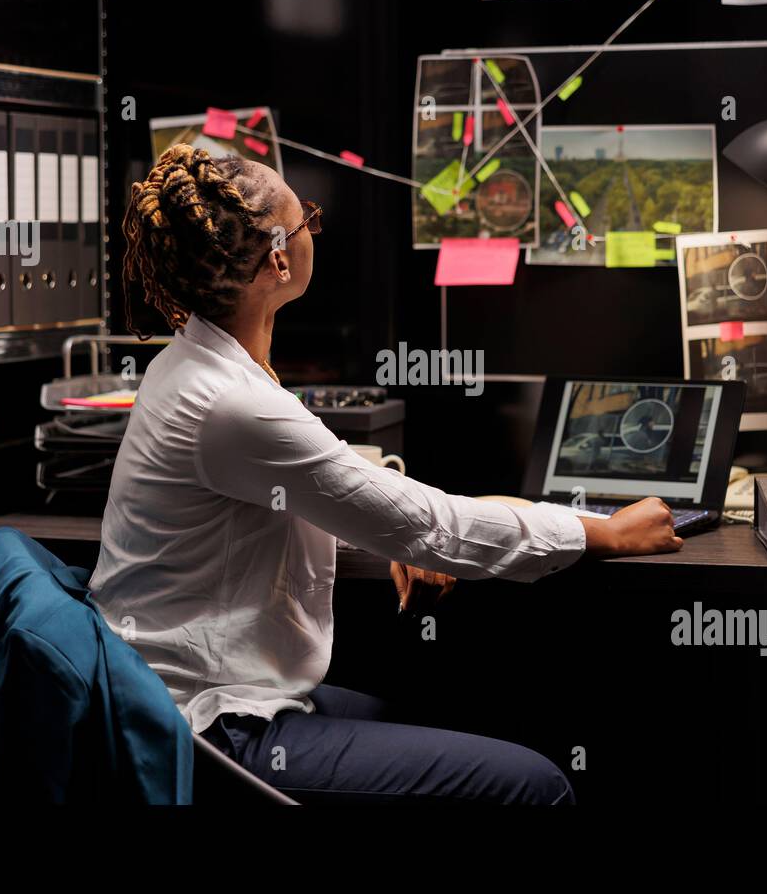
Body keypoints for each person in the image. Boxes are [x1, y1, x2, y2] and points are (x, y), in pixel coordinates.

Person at [89, 144, 682, 804]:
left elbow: (329, 488)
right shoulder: (230, 402)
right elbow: (428, 523)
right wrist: (603, 534)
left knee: (453, 709)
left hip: (188, 703)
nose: (317, 229)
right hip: (216, 733)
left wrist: (395, 527)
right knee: (536, 787)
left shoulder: (194, 366)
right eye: (308, 217)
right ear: (279, 260)